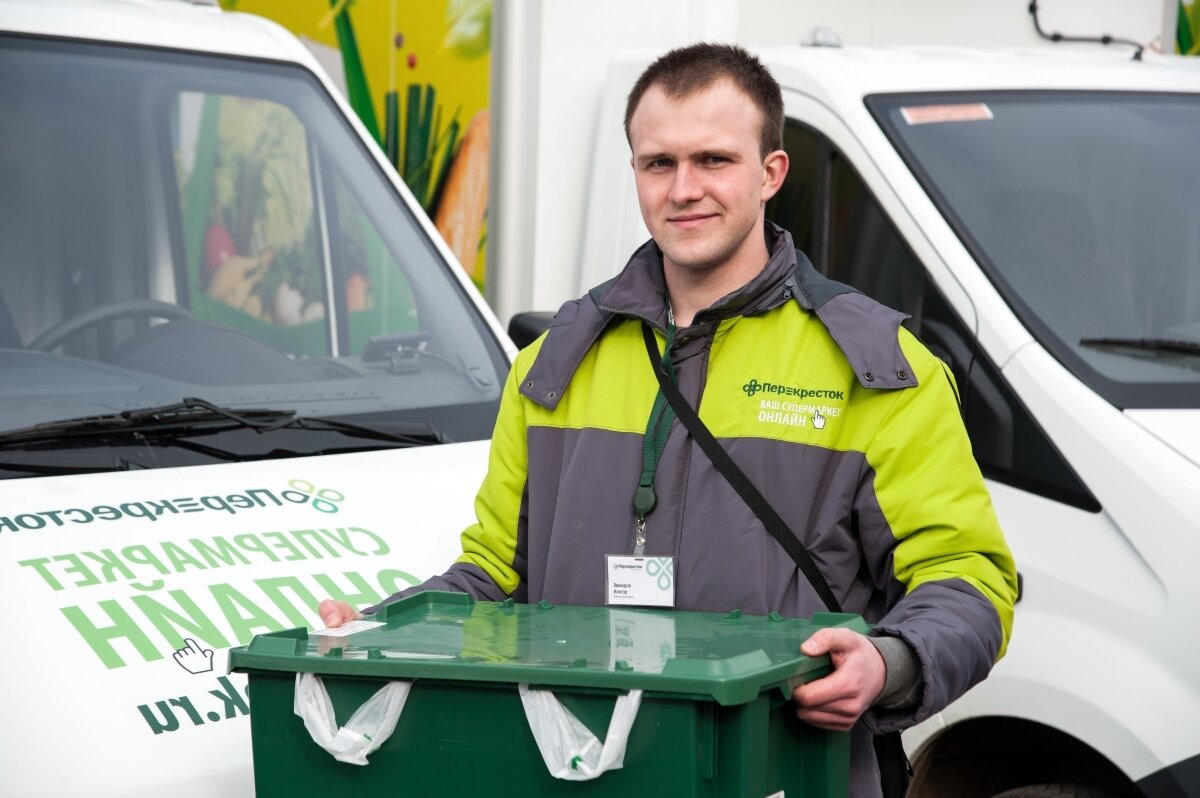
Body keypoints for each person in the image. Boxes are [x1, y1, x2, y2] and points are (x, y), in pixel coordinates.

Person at [319, 42, 1017, 797]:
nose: (684, 189)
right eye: (659, 163)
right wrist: (381, 626)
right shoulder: (553, 364)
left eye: (714, 160)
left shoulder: (877, 367)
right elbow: (493, 575)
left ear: (769, 173)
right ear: (636, 174)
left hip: (786, 772)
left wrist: (890, 662)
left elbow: (967, 578)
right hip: (583, 775)